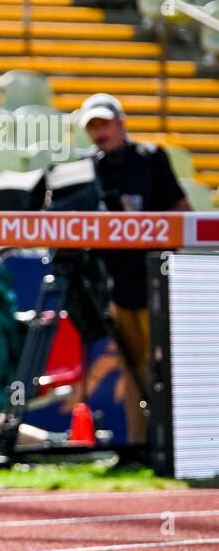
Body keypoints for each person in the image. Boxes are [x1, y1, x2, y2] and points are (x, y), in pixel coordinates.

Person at [77, 92, 191, 444]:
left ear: (121, 122)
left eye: (104, 123)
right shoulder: (86, 168)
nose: (99, 132)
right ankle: (139, 444)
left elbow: (183, 213)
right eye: (92, 126)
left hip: (158, 281)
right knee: (131, 368)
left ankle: (175, 443)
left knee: (166, 368)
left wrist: (145, 229)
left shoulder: (151, 158)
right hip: (119, 286)